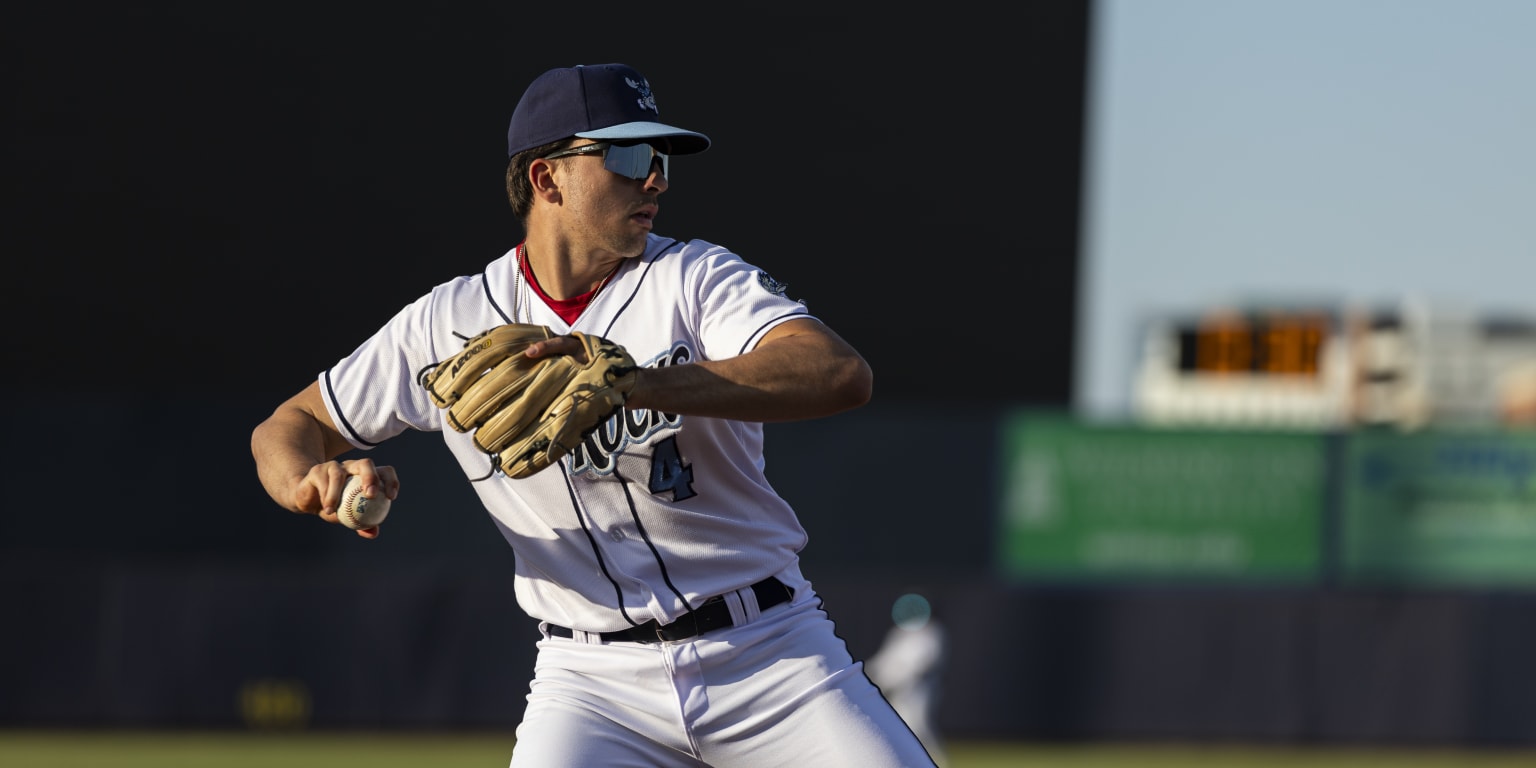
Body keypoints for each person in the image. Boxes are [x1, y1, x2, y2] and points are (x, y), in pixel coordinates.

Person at [250, 62, 938, 767]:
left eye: (662, 157)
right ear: (548, 179)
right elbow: (287, 426)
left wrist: (633, 385)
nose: (657, 180)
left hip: (769, 654)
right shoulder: (446, 323)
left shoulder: (693, 278)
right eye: (631, 155)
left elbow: (837, 372)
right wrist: (309, 483)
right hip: (591, 685)